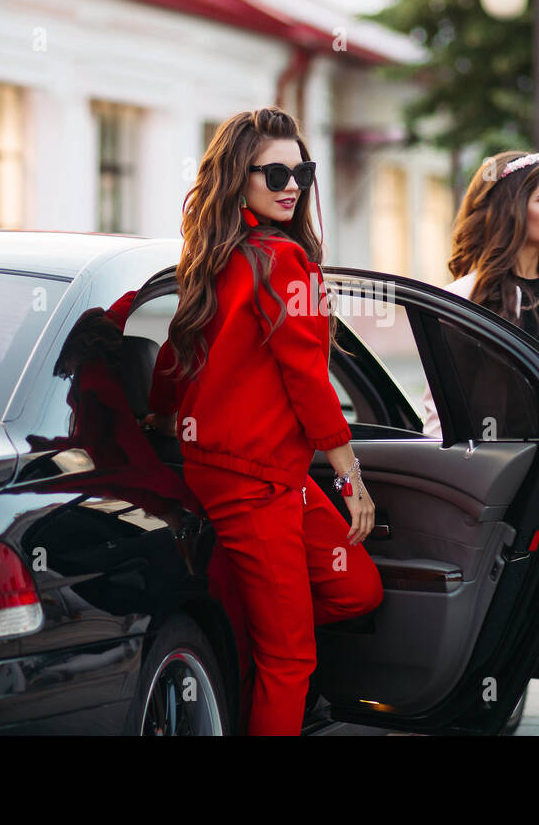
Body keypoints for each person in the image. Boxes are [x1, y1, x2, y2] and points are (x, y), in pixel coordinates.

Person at [143, 107, 383, 735]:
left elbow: (174, 355)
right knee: (291, 658)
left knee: (355, 588)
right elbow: (306, 377)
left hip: (260, 476)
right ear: (238, 179)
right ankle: (264, 643)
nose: (291, 185)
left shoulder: (213, 258)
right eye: (273, 172)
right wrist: (350, 474)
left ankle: (253, 630)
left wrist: (164, 416)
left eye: (300, 170)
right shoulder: (281, 260)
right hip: (254, 484)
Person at [421, 150, 539, 736]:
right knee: (486, 667)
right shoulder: (463, 298)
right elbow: (441, 418)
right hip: (497, 514)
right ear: (512, 208)